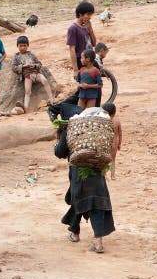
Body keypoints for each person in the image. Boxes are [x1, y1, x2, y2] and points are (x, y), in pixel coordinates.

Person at [54, 104, 115, 254]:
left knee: (79, 201)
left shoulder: (70, 128)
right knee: (96, 202)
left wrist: (58, 138)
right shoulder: (95, 128)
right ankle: (92, 240)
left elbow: (59, 152)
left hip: (78, 175)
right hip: (97, 172)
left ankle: (81, 236)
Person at [11, 36, 54, 112]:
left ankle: (51, 99)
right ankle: (26, 107)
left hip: (36, 73)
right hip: (27, 76)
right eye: (20, 46)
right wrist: (23, 66)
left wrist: (34, 66)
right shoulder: (16, 56)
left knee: (45, 80)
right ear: (17, 46)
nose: (22, 48)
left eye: (24, 45)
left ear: (27, 46)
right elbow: (14, 68)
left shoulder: (31, 54)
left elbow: (39, 64)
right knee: (27, 92)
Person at [67, 1, 97, 70]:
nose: (90, 17)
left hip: (91, 60)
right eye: (88, 14)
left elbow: (94, 44)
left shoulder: (87, 26)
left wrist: (90, 29)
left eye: (91, 15)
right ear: (80, 14)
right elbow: (72, 49)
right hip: (81, 62)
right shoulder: (73, 28)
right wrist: (75, 69)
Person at [102, 102, 122, 180]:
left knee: (104, 159)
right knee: (113, 160)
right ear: (114, 112)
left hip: (105, 142)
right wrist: (119, 144)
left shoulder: (103, 121)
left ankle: (103, 174)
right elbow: (120, 133)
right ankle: (112, 176)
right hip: (114, 143)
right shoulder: (117, 121)